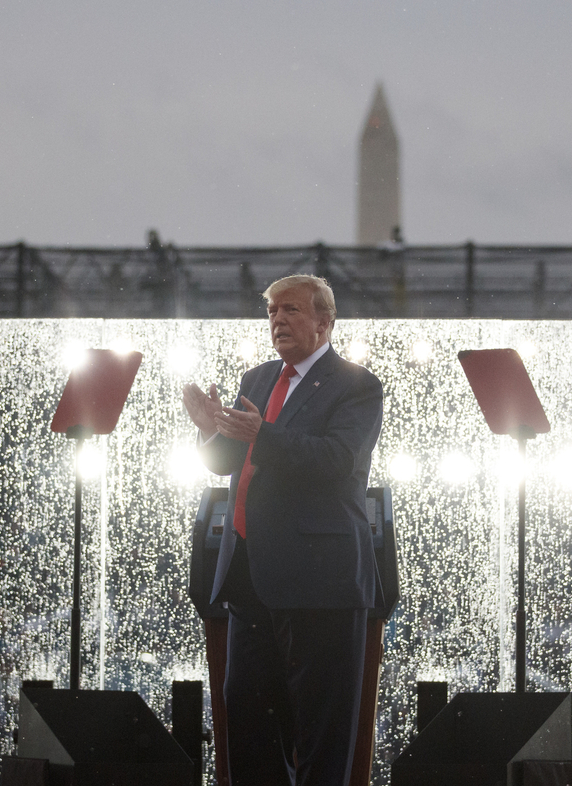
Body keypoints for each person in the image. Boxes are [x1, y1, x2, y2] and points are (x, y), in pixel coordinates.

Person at [182, 274, 384, 785]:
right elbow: (228, 458)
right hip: (249, 577)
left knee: (320, 731)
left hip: (321, 583)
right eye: (272, 312)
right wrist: (209, 427)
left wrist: (262, 434)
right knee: (246, 720)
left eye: (291, 310)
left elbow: (339, 460)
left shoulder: (356, 384)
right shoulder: (257, 379)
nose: (278, 321)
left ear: (324, 320)